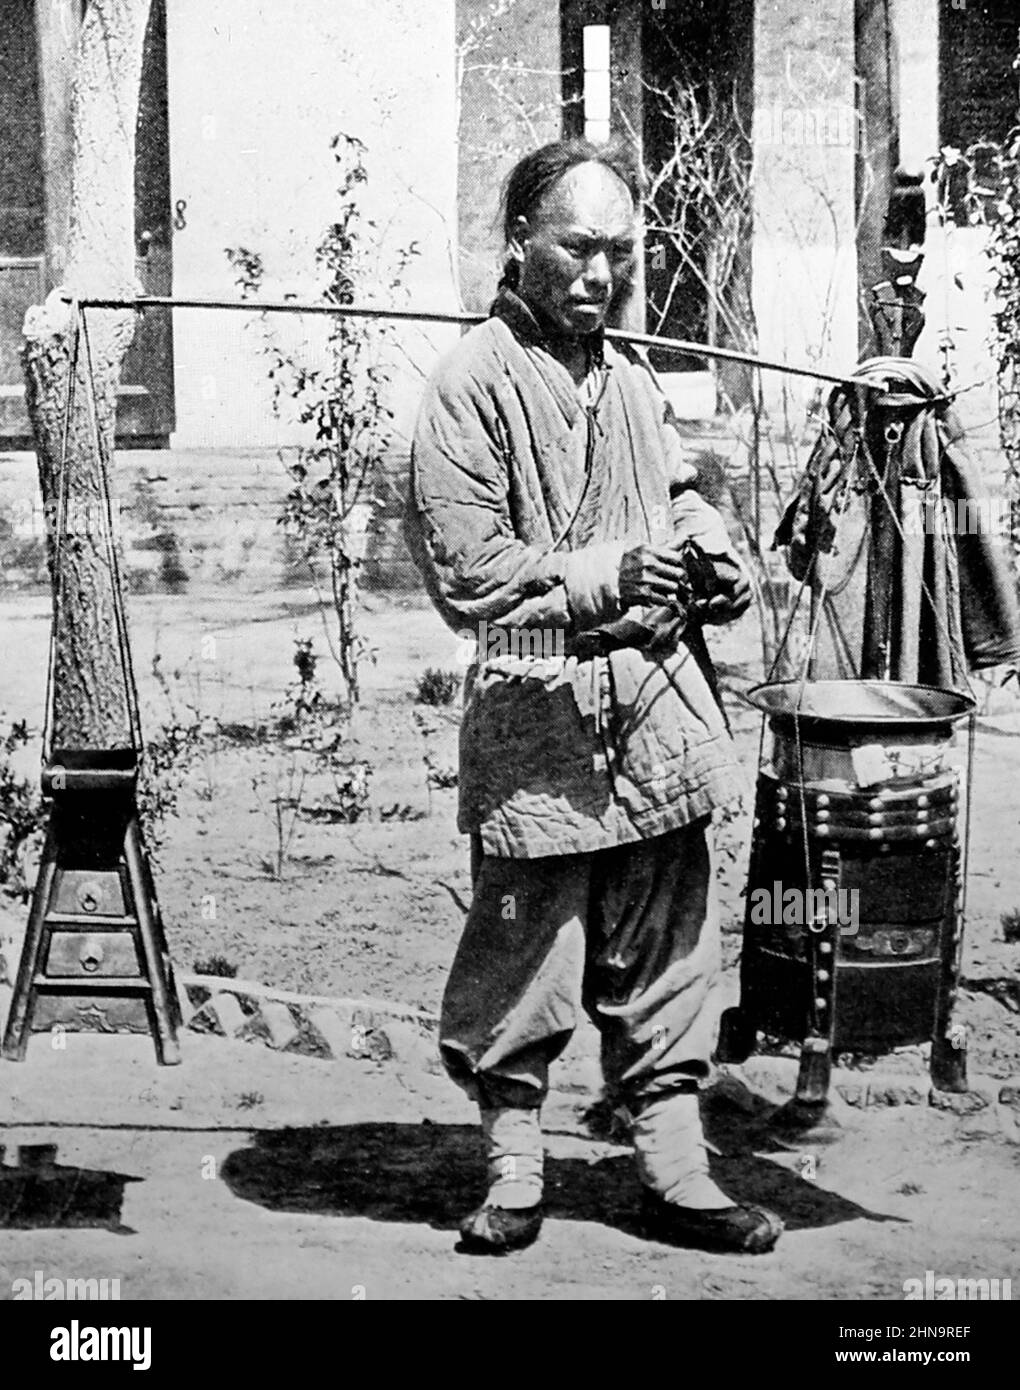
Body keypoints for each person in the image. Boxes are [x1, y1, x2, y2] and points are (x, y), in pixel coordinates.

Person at [405, 138, 783, 1255]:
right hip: (540, 731)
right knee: (526, 946)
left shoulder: (628, 380)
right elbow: (473, 579)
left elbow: (674, 495)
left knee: (671, 951)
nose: (597, 273)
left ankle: (675, 1168)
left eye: (618, 252)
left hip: (659, 720)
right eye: (575, 247)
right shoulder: (470, 385)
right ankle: (515, 1169)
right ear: (518, 243)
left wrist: (709, 554)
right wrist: (606, 576)